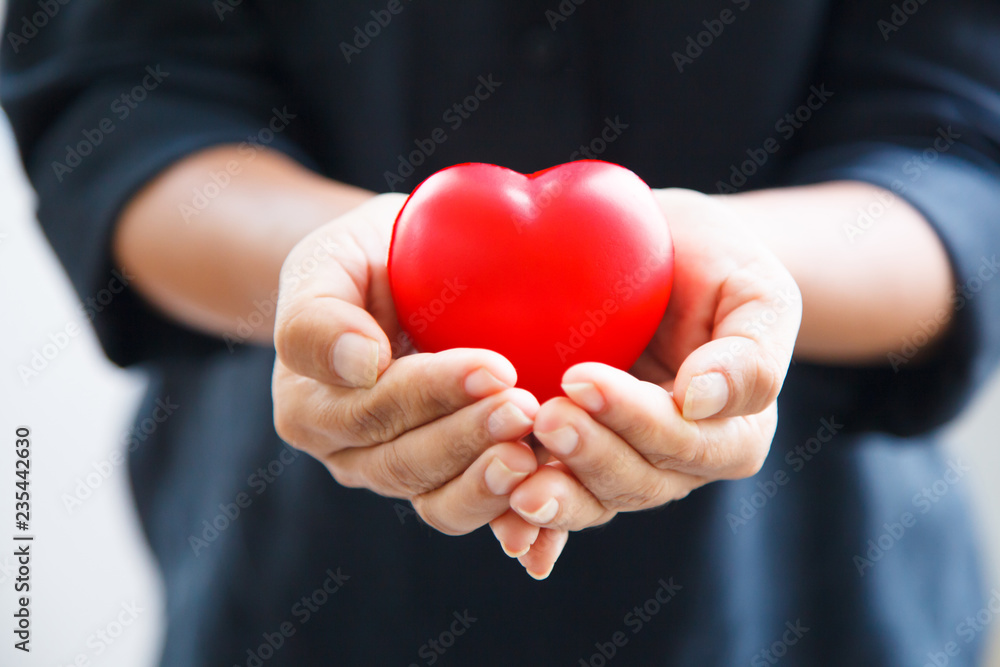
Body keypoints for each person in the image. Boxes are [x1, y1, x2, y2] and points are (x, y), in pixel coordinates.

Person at [3, 1, 1000, 664]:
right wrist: (334, 275)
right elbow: (120, 96)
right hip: (296, 594)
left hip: (822, 599)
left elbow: (960, 137)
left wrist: (740, 276)